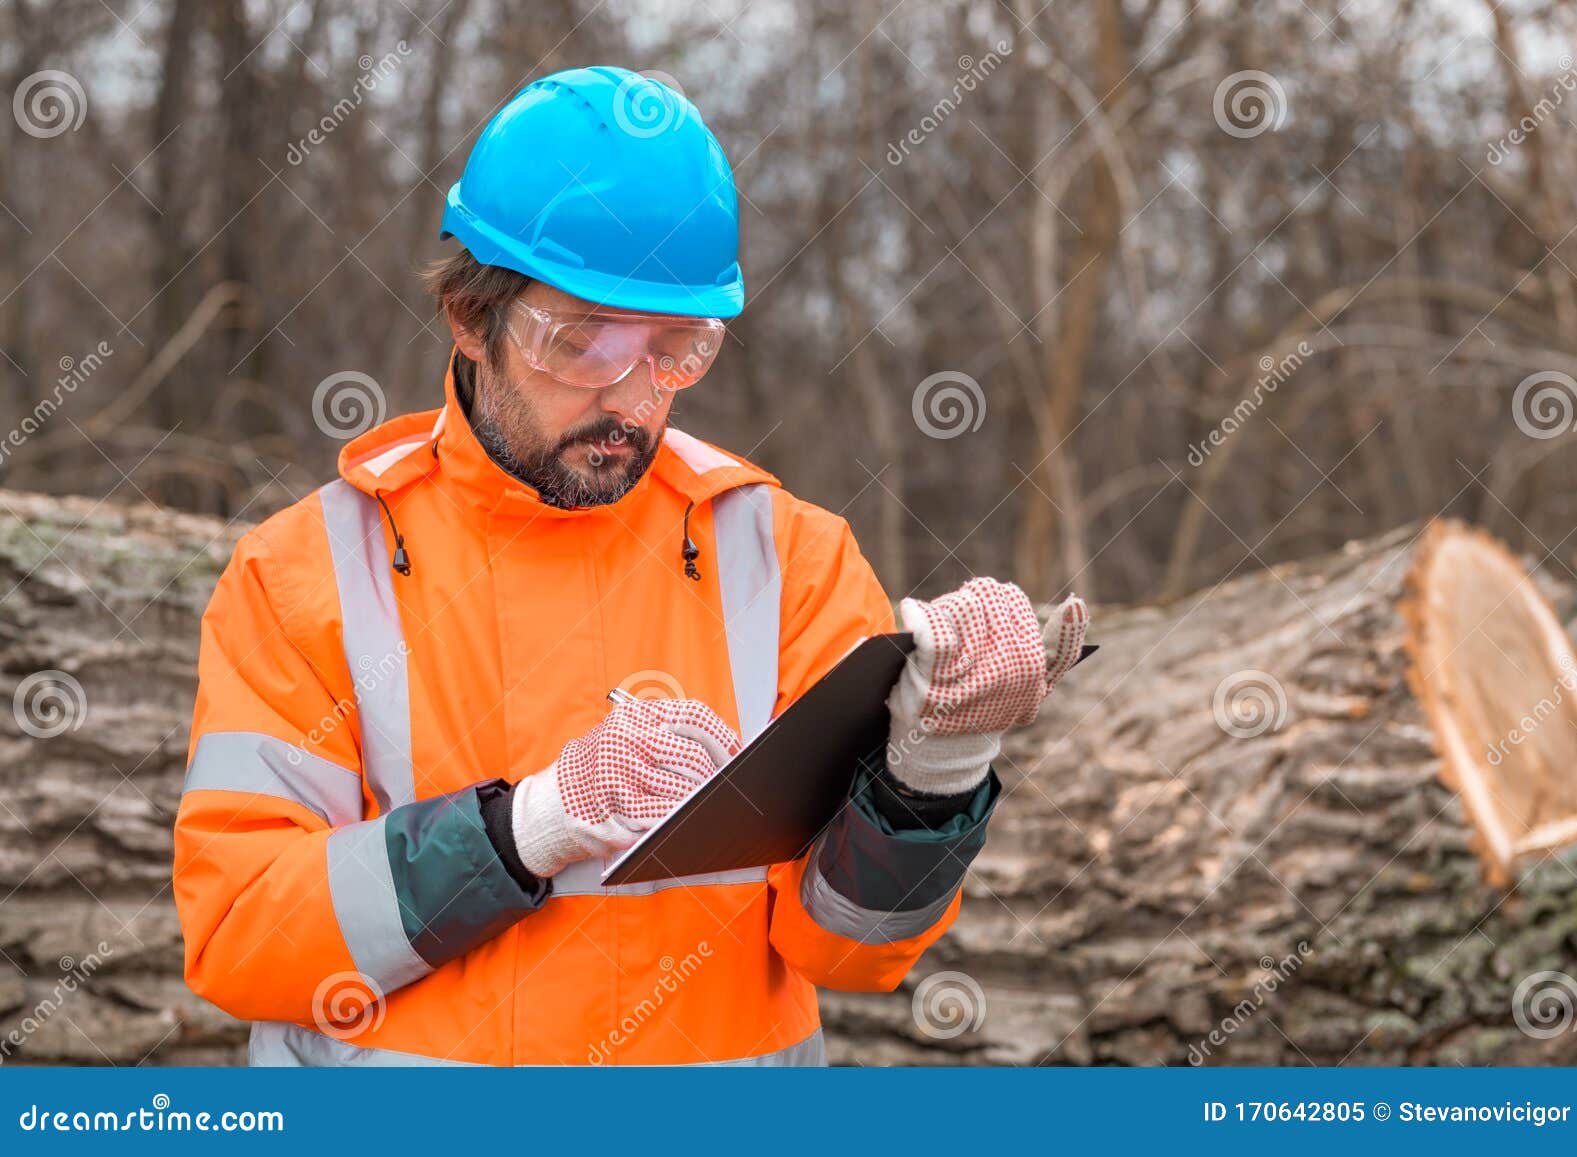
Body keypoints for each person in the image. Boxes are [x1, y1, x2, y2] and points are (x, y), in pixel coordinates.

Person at [173, 65, 1090, 1066]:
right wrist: (525, 827)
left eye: (674, 349)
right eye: (579, 341)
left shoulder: (788, 558)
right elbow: (241, 930)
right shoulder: (303, 572)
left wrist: (934, 776)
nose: (631, 399)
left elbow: (849, 948)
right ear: (472, 318)